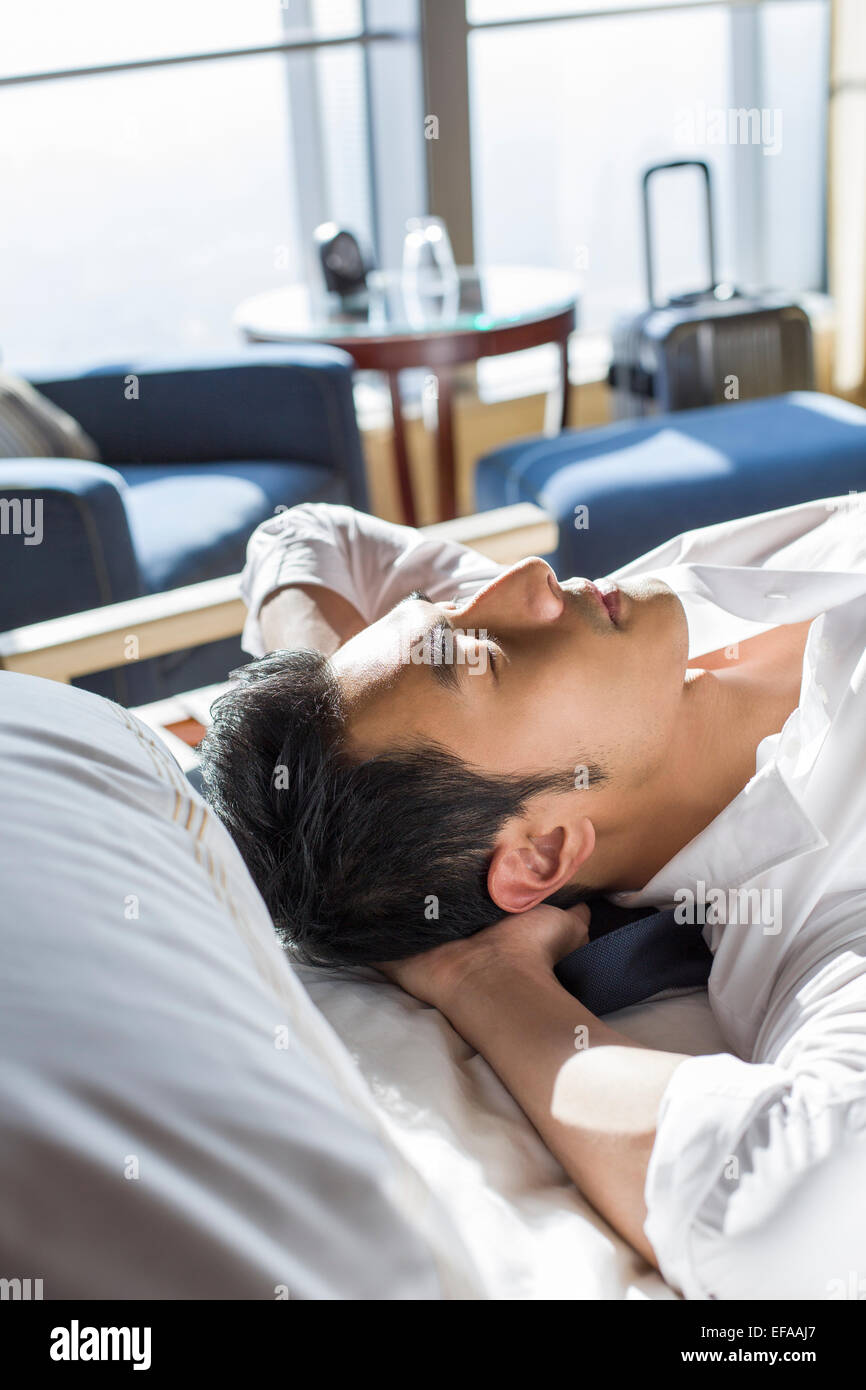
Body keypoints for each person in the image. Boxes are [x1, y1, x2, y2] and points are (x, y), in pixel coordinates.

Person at [200, 493, 866, 1299]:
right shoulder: (825, 906)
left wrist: (331, 729)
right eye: (475, 655)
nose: (527, 577)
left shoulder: (619, 623)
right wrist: (486, 980)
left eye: (442, 611)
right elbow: (791, 1213)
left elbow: (314, 537)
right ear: (541, 853)